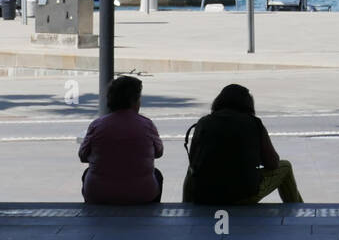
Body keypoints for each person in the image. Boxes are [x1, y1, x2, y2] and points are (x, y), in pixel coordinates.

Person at [182, 83, 303, 204]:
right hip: (244, 195)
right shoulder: (254, 123)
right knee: (285, 167)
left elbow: (193, 161)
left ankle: (186, 209)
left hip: (206, 195)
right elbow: (272, 163)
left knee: (191, 171)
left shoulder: (204, 123)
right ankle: (299, 213)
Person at [78, 74, 163, 205]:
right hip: (141, 194)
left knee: (87, 173)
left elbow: (83, 156)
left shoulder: (97, 125)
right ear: (133, 101)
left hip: (99, 194)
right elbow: (159, 152)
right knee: (157, 174)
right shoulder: (147, 125)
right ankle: (151, 215)